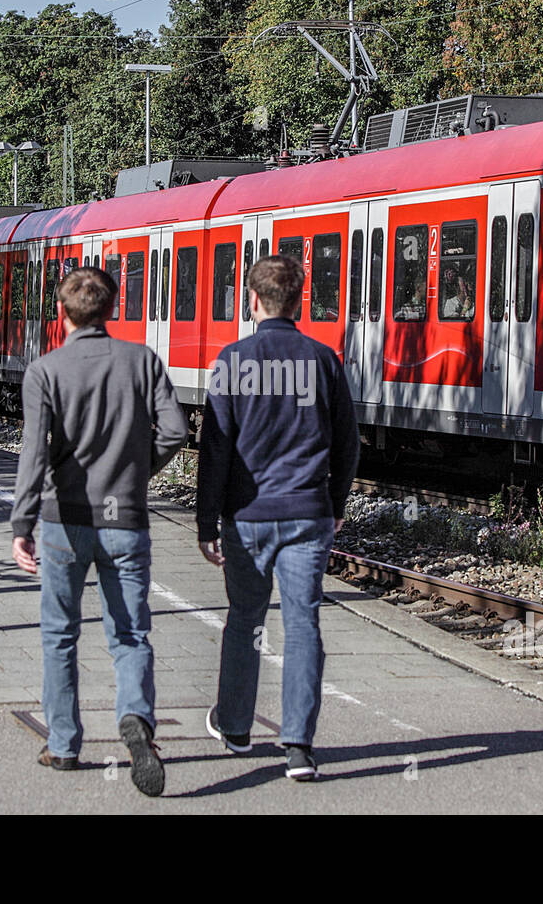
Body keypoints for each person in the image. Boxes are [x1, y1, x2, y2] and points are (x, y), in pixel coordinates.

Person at [10, 266, 187, 797]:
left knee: (59, 635)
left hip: (65, 521)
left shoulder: (46, 370)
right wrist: (135, 471)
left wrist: (22, 524)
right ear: (113, 309)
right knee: (130, 633)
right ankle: (136, 718)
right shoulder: (143, 361)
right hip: (126, 519)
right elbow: (176, 430)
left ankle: (63, 745)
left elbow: (34, 454)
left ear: (61, 313)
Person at [197, 254, 360, 782]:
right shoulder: (323, 360)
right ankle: (298, 748)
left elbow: (214, 449)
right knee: (303, 623)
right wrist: (335, 505)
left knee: (245, 619)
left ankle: (237, 728)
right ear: (299, 300)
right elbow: (348, 443)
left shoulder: (231, 360)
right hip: (307, 513)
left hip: (246, 517)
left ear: (251, 300)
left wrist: (206, 522)